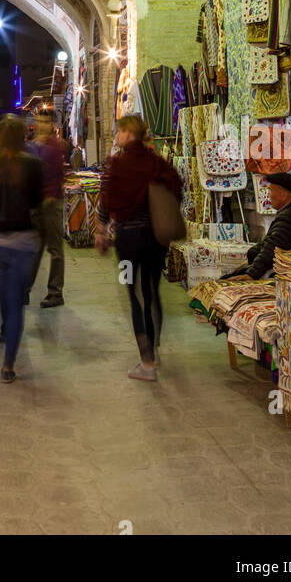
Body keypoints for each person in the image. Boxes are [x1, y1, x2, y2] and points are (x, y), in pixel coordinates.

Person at [95, 113, 181, 383]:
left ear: (129, 133)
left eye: (119, 132)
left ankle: (147, 363)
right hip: (156, 238)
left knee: (134, 295)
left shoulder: (118, 164)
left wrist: (101, 229)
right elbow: (178, 188)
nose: (117, 137)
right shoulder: (158, 162)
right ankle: (153, 347)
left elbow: (107, 199)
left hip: (128, 240)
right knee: (152, 290)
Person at [0, 114, 44, 382]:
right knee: (16, 303)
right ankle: (8, 365)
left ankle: (3, 330)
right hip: (25, 243)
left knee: (2, 297)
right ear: (23, 136)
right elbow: (38, 203)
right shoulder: (34, 165)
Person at [223, 172, 291, 280]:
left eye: (271, 190)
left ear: (283, 195)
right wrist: (252, 254)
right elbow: (269, 243)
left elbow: (273, 248)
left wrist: (251, 274)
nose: (269, 195)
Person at [28, 117, 67, 307]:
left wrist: (50, 197)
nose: (42, 124)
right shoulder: (32, 146)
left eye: (45, 121)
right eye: (39, 121)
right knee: (34, 249)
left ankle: (55, 292)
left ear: (51, 125)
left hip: (51, 204)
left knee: (55, 250)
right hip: (36, 204)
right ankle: (25, 289)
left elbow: (58, 174)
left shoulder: (55, 146)